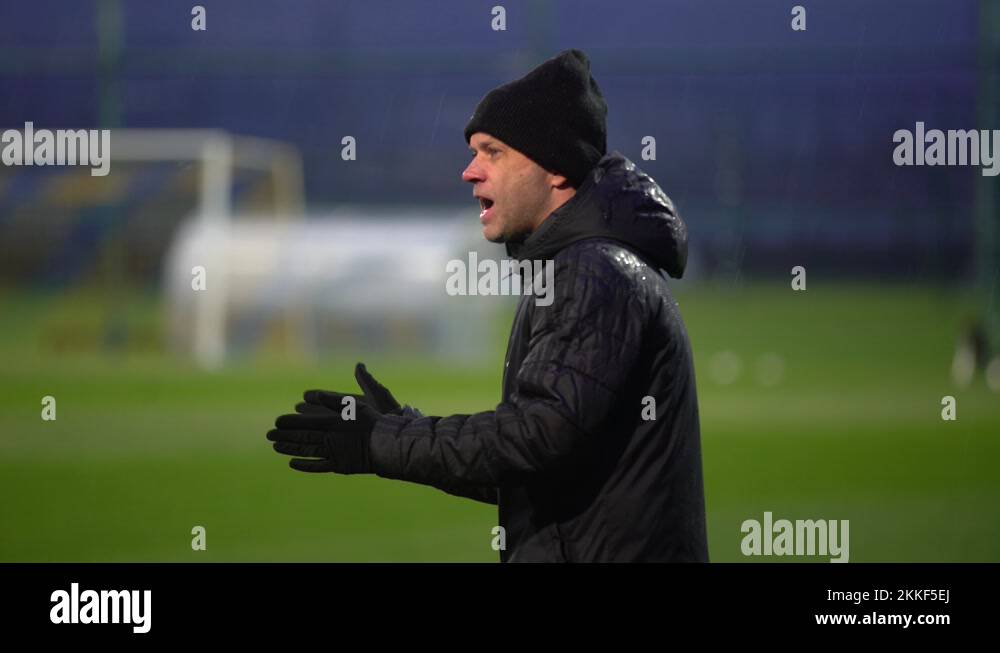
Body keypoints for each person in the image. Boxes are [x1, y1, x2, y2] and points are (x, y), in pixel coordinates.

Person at [267, 49, 708, 562]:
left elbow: (536, 437)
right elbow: (535, 468)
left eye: (492, 152)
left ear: (555, 168)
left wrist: (383, 440)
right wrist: (402, 429)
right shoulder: (578, 266)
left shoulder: (593, 272)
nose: (469, 172)